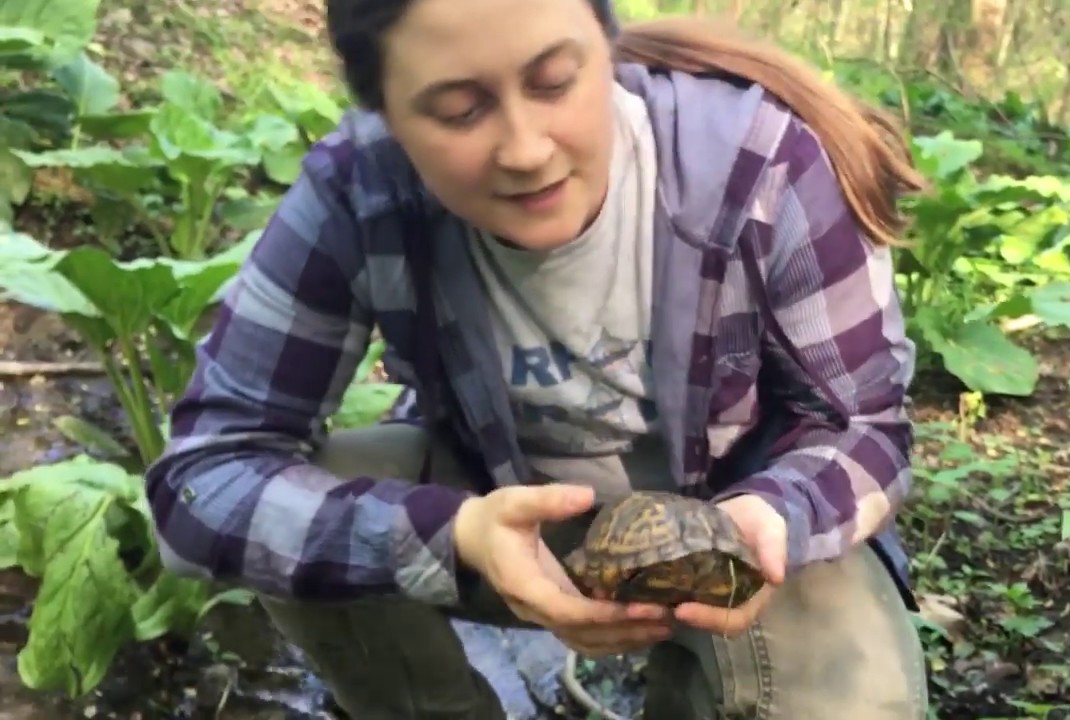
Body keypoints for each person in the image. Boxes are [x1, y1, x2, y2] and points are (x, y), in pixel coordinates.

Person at [143, 0, 931, 717]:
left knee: (856, 700)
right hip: (504, 508)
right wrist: (450, 538)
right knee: (300, 504)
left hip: (732, 513)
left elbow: (864, 424)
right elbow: (203, 482)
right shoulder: (357, 192)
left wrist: (767, 522)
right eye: (458, 110)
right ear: (384, 113)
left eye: (555, 82)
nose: (524, 150)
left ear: (607, 45)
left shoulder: (759, 167)